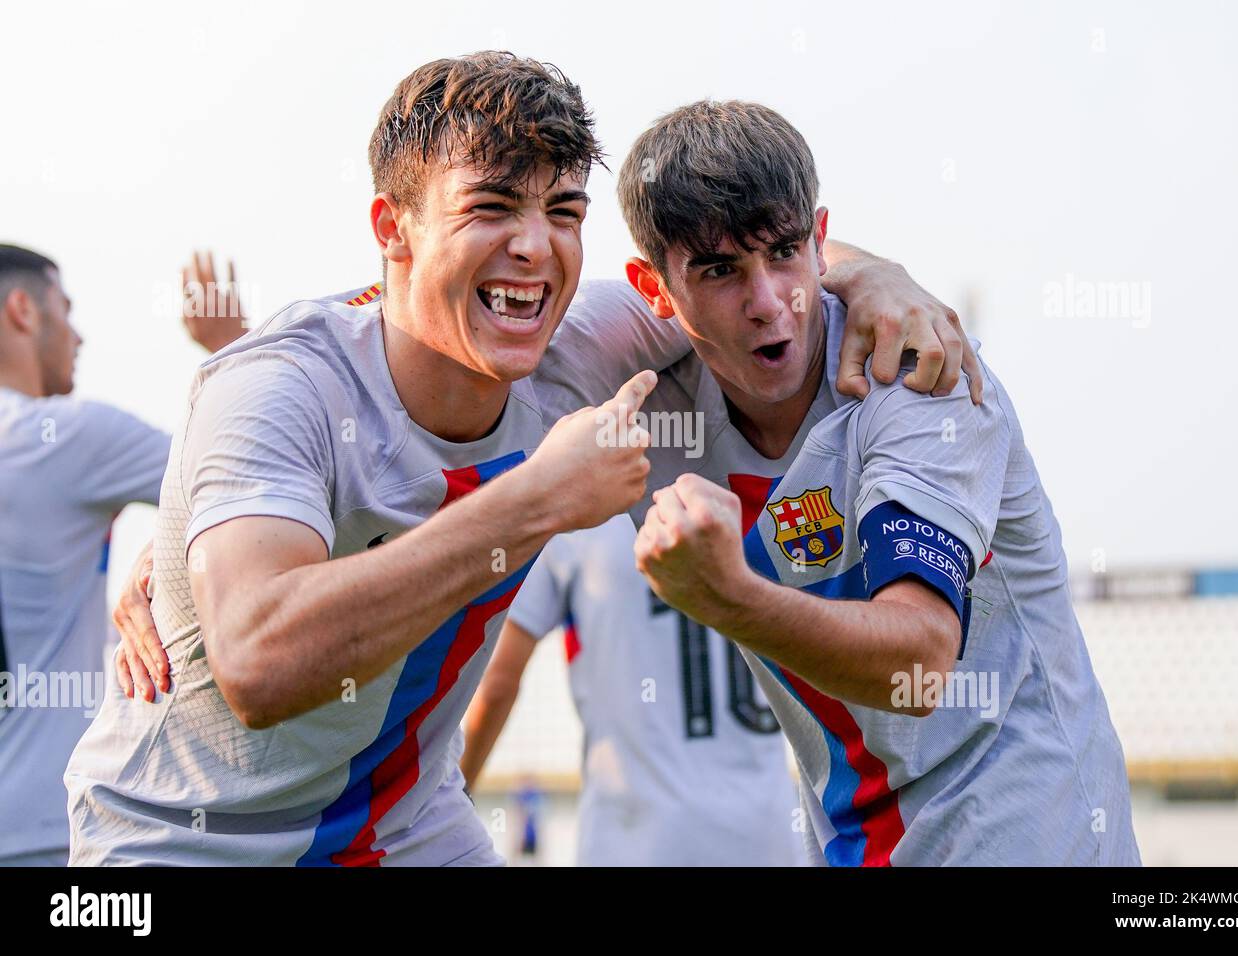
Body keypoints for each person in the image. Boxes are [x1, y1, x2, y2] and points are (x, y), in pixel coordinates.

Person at [70, 53, 973, 867]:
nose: (537, 246)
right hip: (182, 839)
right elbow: (259, 663)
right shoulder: (276, 386)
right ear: (394, 228)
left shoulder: (577, 340)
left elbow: (737, 262)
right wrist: (535, 501)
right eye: (493, 208)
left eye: (563, 211)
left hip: (404, 824)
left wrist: (878, 273)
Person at [617, 101, 1141, 865]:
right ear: (654, 288)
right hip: (857, 838)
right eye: (721, 269)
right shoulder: (641, 392)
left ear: (820, 242)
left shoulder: (920, 378)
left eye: (786, 252)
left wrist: (726, 595)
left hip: (1028, 827)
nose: (770, 302)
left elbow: (921, 664)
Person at [0, 245, 242, 865]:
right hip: (44, 831)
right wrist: (231, 345)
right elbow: (244, 473)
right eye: (66, 310)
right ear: (23, 310)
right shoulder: (62, 436)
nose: (78, 336)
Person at [461, 515, 803, 866]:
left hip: (637, 838)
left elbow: (498, 683)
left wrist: (456, 793)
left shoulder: (577, 517)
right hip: (768, 832)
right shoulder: (746, 500)